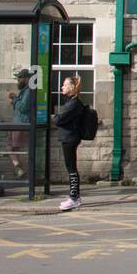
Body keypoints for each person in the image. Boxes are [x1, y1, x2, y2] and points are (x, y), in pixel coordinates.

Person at [54, 75, 86, 212]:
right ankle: (76, 197)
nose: (62, 87)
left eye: (65, 84)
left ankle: (73, 197)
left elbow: (58, 119)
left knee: (71, 168)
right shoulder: (71, 102)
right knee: (70, 167)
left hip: (70, 138)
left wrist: (56, 117)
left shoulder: (73, 104)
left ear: (72, 87)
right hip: (69, 137)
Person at [6, 69, 34, 178]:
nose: (18, 80)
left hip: (22, 123)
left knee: (18, 148)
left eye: (20, 78)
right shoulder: (25, 90)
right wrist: (16, 99)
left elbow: (23, 107)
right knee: (10, 147)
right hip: (17, 123)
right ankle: (18, 168)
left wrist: (14, 99)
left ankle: (23, 171)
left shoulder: (29, 90)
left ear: (27, 78)